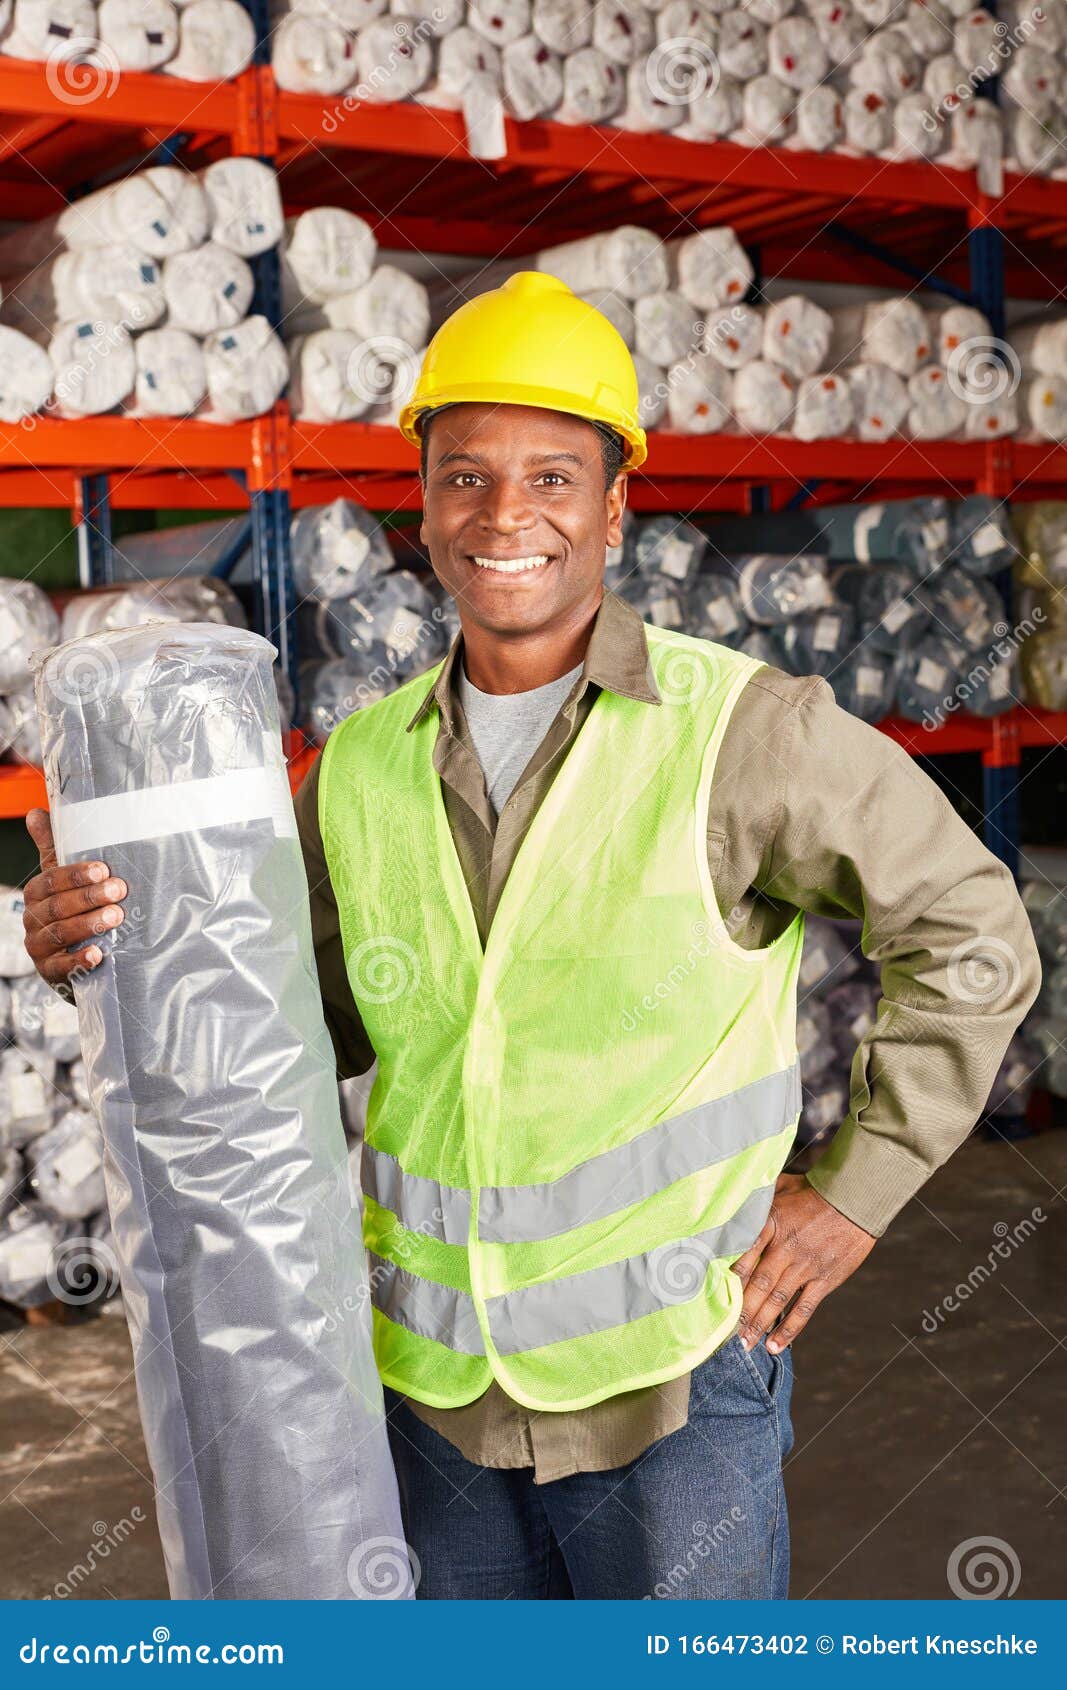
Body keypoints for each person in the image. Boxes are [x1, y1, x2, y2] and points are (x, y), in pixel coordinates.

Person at [23, 272, 1041, 1602]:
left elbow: (974, 931)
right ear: (425, 508)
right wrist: (102, 954)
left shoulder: (741, 730)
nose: (508, 516)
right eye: (466, 478)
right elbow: (281, 1026)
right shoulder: (366, 766)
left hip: (670, 1401)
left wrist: (852, 1198)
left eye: (554, 476)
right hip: (434, 1404)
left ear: (616, 504)